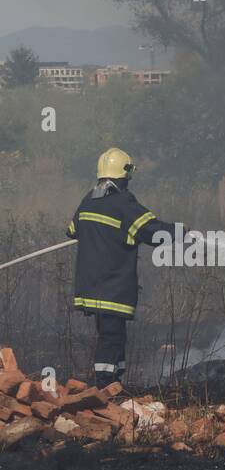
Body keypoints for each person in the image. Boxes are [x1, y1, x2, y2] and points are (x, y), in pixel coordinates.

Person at [66, 148, 179, 388]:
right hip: (112, 284)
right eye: (127, 177)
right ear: (123, 175)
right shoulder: (123, 203)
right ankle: (105, 386)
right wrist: (179, 231)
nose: (128, 182)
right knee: (112, 336)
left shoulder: (88, 200)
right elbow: (154, 232)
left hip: (90, 284)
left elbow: (72, 231)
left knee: (110, 334)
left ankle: (113, 385)